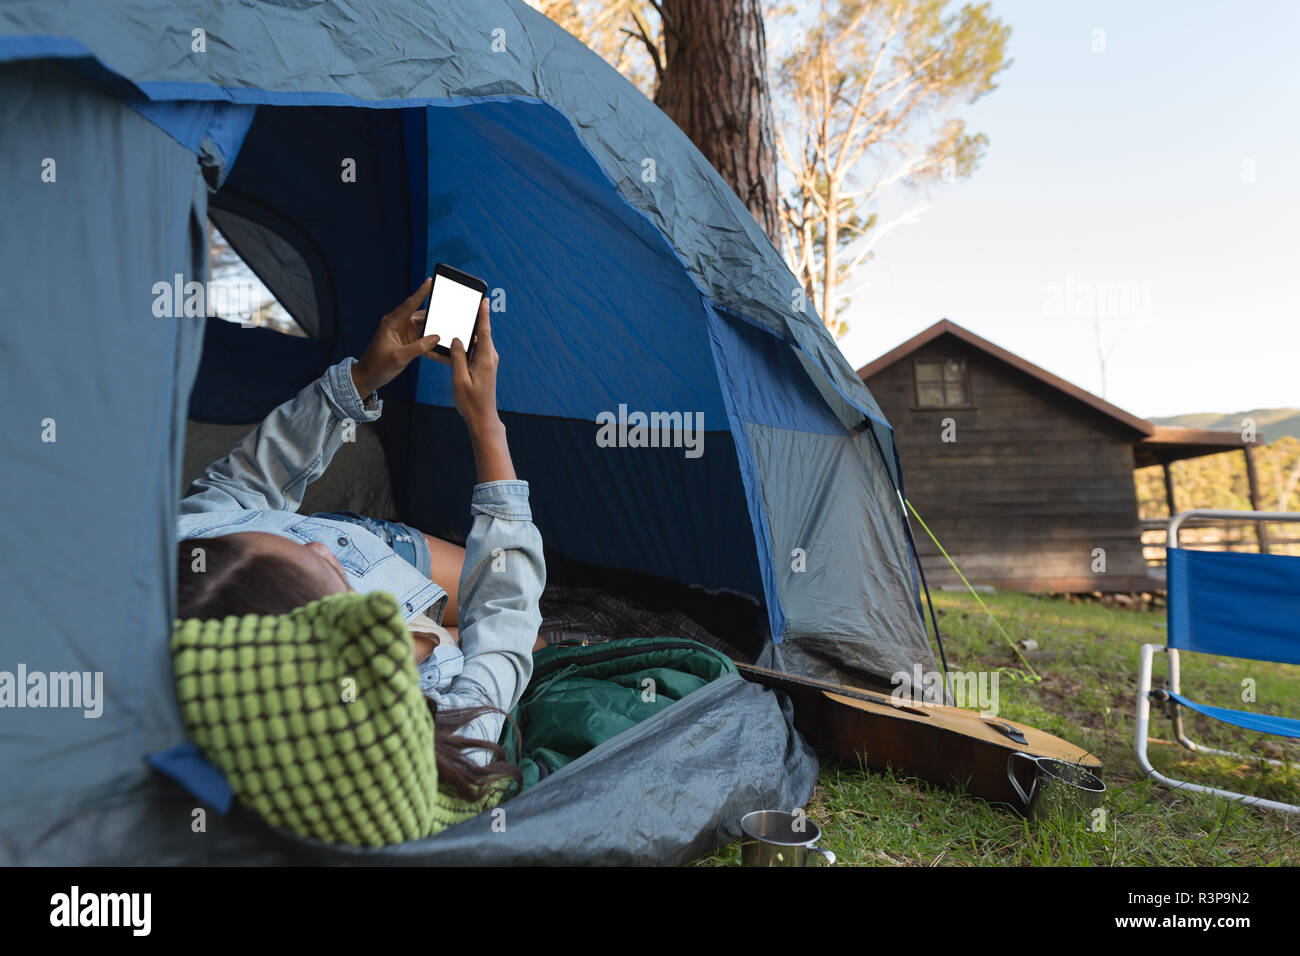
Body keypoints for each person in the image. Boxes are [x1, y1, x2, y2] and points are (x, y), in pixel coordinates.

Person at [175, 278, 545, 799]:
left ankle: (440, 640)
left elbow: (241, 489)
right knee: (531, 637)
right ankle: (448, 642)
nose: (321, 547)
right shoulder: (435, 744)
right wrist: (486, 423)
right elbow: (506, 620)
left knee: (491, 620)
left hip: (378, 554)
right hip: (387, 580)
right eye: (320, 569)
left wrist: (365, 375)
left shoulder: (190, 559)